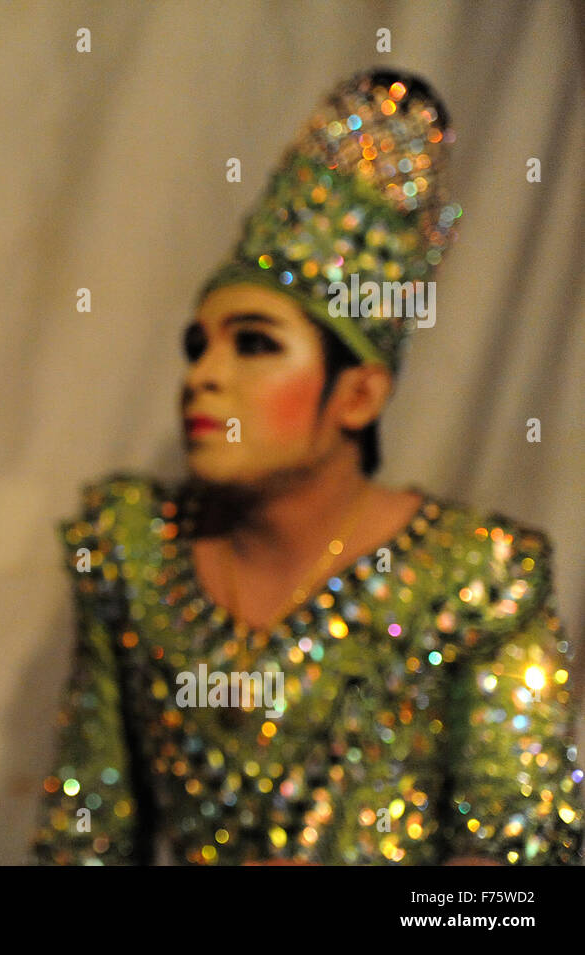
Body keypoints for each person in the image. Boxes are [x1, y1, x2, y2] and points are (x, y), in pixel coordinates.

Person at [34, 70, 583, 865]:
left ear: (358, 393)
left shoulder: (479, 579)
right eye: (199, 346)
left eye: (254, 343)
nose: (204, 375)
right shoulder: (133, 554)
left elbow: (513, 886)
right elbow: (81, 842)